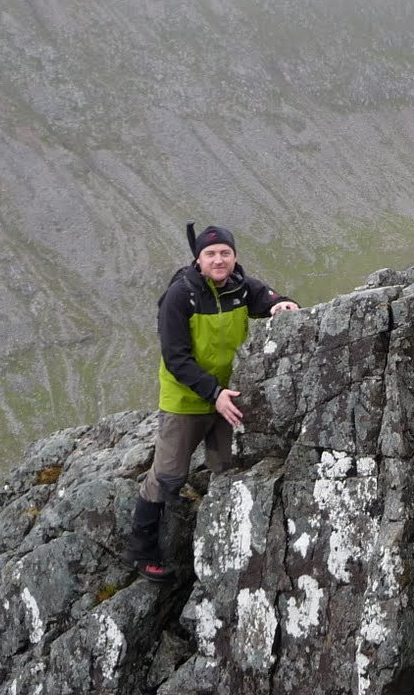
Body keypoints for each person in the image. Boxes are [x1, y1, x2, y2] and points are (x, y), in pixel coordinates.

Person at [125, 222, 299, 581]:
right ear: (198, 259)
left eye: (225, 253)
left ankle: (225, 545)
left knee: (227, 470)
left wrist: (282, 304)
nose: (219, 260)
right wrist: (213, 393)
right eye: (211, 254)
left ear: (234, 257)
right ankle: (141, 550)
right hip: (186, 400)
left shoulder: (241, 287)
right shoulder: (180, 296)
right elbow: (175, 357)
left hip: (227, 397)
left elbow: (269, 300)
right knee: (169, 475)